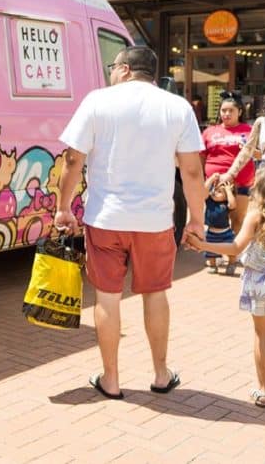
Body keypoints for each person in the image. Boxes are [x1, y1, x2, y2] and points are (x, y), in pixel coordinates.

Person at [54, 46, 206, 400]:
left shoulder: (97, 101)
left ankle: (111, 379)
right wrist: (197, 220)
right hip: (154, 221)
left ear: (123, 69)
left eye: (113, 67)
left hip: (105, 218)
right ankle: (160, 373)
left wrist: (63, 207)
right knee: (155, 293)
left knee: (107, 297)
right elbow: (193, 170)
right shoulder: (177, 107)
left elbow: (73, 159)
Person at [184, 162, 265, 423]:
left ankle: (263, 390)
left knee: (262, 335)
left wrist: (202, 245)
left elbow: (235, 247)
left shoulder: (256, 214)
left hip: (259, 283)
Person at [200, 91, 253, 233]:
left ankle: (233, 255)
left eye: (231, 110)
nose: (226, 114)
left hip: (241, 183)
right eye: (223, 110)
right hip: (214, 186)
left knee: (238, 221)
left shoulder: (250, 131)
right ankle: (217, 252)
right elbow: (201, 158)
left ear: (240, 112)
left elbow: (257, 153)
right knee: (216, 222)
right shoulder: (209, 131)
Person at [202, 177, 236, 275]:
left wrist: (228, 191)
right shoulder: (209, 201)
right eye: (215, 190)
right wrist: (212, 179)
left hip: (225, 233)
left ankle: (231, 264)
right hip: (211, 232)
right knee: (211, 251)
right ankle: (213, 265)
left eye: (220, 192)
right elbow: (203, 190)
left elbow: (233, 205)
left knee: (231, 250)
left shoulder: (226, 204)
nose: (215, 192)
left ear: (226, 196)